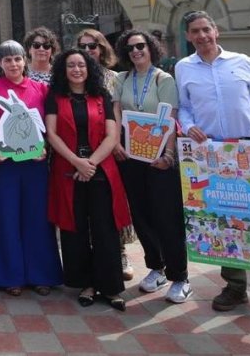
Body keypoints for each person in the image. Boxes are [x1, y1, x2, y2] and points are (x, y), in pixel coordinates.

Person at [175, 10, 250, 331]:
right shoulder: (184, 67)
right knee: (225, 224)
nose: (202, 36)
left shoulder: (241, 61)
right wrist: (188, 127)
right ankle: (235, 286)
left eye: (206, 29)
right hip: (211, 154)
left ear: (216, 30)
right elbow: (185, 107)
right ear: (188, 36)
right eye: (195, 32)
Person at [45, 49, 131, 311]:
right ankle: (85, 284)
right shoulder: (55, 97)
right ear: (63, 69)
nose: (76, 69)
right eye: (71, 65)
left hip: (100, 170)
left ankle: (111, 286)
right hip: (68, 169)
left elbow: (111, 135)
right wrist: (77, 162)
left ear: (89, 68)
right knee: (75, 229)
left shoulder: (101, 96)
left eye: (81, 65)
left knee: (105, 229)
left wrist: (90, 163)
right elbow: (51, 134)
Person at [110, 30, 190, 304]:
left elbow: (171, 117)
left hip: (159, 158)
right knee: (142, 215)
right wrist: (116, 143)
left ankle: (180, 276)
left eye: (141, 46)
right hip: (132, 157)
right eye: (130, 47)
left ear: (150, 48)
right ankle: (156, 268)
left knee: (166, 216)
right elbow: (116, 110)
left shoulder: (162, 79)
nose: (136, 51)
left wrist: (168, 154)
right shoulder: (122, 78)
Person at [0, 40, 63, 296]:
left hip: (34, 164)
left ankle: (42, 274)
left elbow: (50, 126)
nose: (13, 64)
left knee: (37, 217)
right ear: (0, 64)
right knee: (5, 217)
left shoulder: (40, 89)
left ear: (24, 61)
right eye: (7, 60)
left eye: (17, 59)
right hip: (3, 164)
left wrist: (46, 147)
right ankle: (8, 276)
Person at [77, 27, 134, 280]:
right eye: (83, 46)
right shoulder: (75, 77)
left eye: (93, 46)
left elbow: (120, 113)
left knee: (116, 203)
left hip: (113, 149)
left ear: (102, 49)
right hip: (85, 152)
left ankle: (120, 251)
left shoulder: (115, 78)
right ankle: (92, 254)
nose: (88, 51)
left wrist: (118, 144)